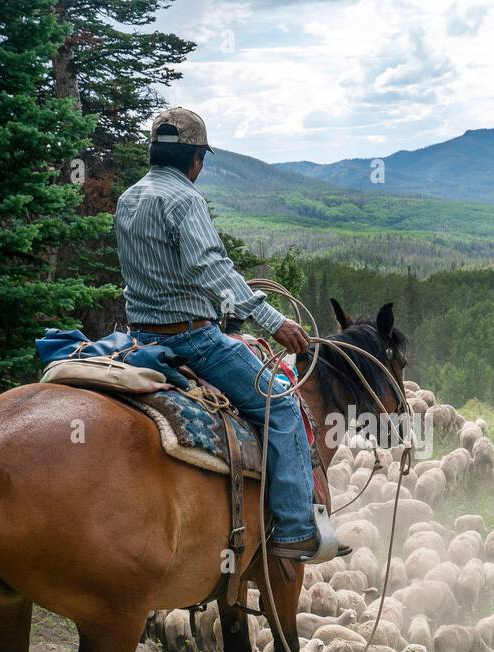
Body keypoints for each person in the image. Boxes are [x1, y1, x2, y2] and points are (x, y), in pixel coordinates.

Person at [115, 107, 342, 561]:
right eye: (201, 158)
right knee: (282, 403)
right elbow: (209, 266)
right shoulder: (185, 200)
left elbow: (169, 271)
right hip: (191, 341)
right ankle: (296, 528)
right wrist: (272, 320)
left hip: (139, 339)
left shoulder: (129, 198)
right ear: (195, 159)